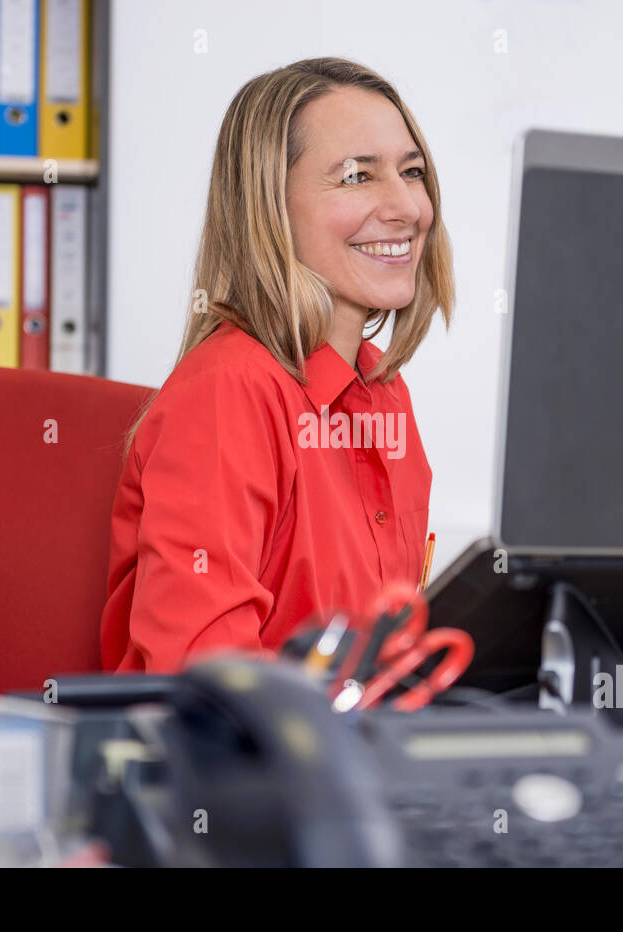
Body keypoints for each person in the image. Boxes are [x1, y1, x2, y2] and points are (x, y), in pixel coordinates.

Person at [100, 57, 454, 672]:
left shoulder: (382, 390)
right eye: (356, 177)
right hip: (240, 760)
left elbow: (378, 656)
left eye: (412, 172)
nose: (408, 207)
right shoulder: (228, 392)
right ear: (269, 207)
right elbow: (207, 681)